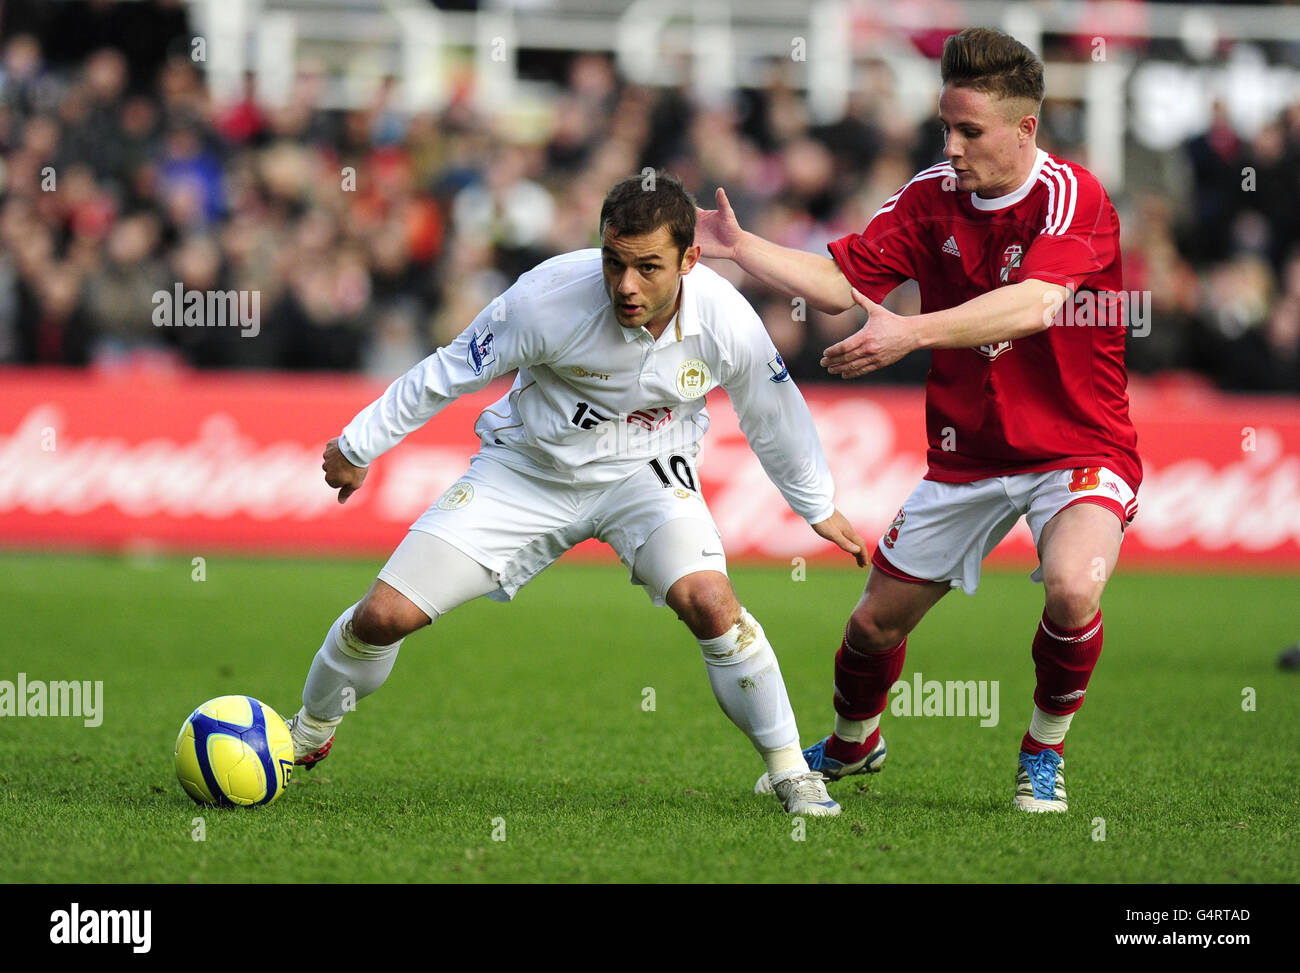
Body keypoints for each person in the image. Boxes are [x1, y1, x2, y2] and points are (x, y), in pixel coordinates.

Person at [285, 171, 867, 817]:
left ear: (690, 259)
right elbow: (449, 370)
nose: (626, 285)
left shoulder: (726, 317)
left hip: (647, 473)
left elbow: (772, 408)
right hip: (527, 469)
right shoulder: (546, 299)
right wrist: (358, 445)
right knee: (382, 616)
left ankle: (791, 773)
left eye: (648, 267)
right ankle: (305, 734)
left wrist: (817, 503)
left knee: (711, 601)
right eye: (613, 261)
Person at [696, 28, 1141, 812]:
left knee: (1074, 588)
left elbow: (1036, 304)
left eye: (970, 131)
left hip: (1077, 444)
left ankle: (1042, 748)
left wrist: (910, 331)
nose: (953, 146)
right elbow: (839, 280)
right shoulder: (931, 194)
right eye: (947, 127)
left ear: (1024, 129)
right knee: (872, 627)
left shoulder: (1074, 198)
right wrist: (741, 247)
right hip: (967, 453)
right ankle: (853, 739)